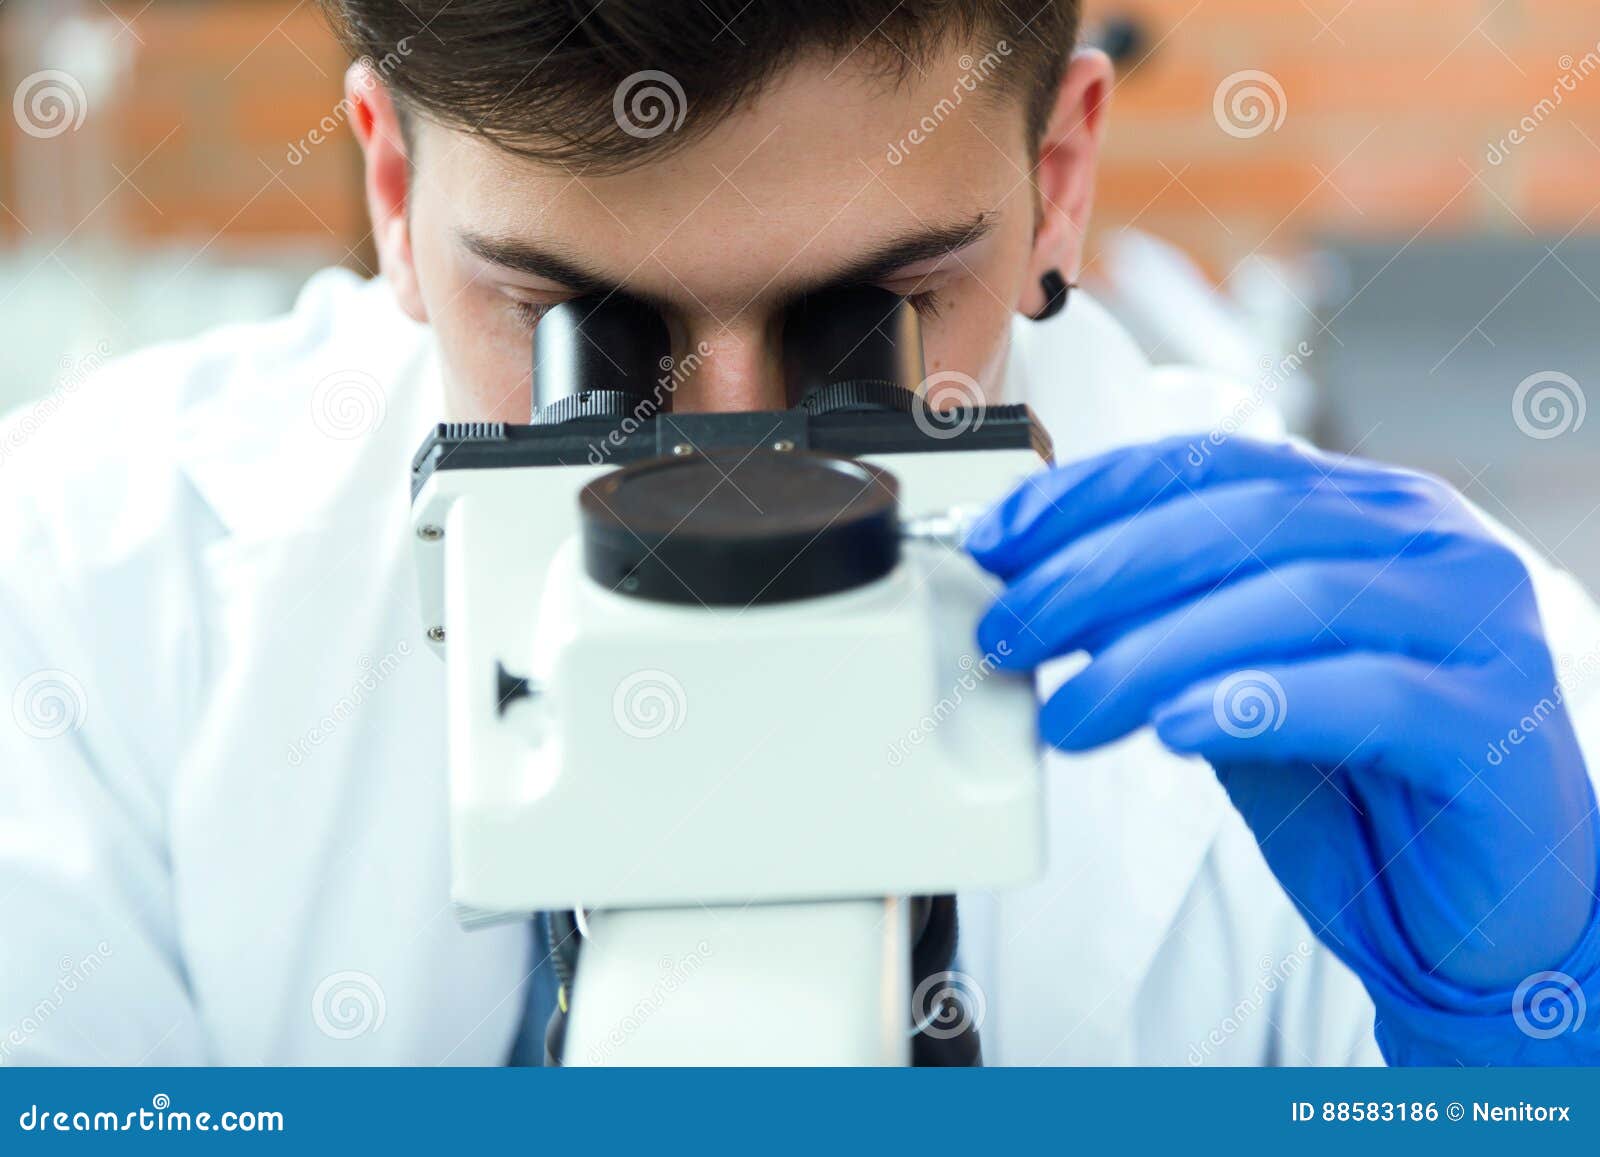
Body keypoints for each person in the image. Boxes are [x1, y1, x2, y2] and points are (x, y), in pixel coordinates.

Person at [2, 0, 1596, 1066]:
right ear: (395, 187)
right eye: (574, 324)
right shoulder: (80, 600)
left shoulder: (1388, 658)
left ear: (1055, 178)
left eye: (879, 315)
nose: (731, 461)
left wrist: (1529, 1043)